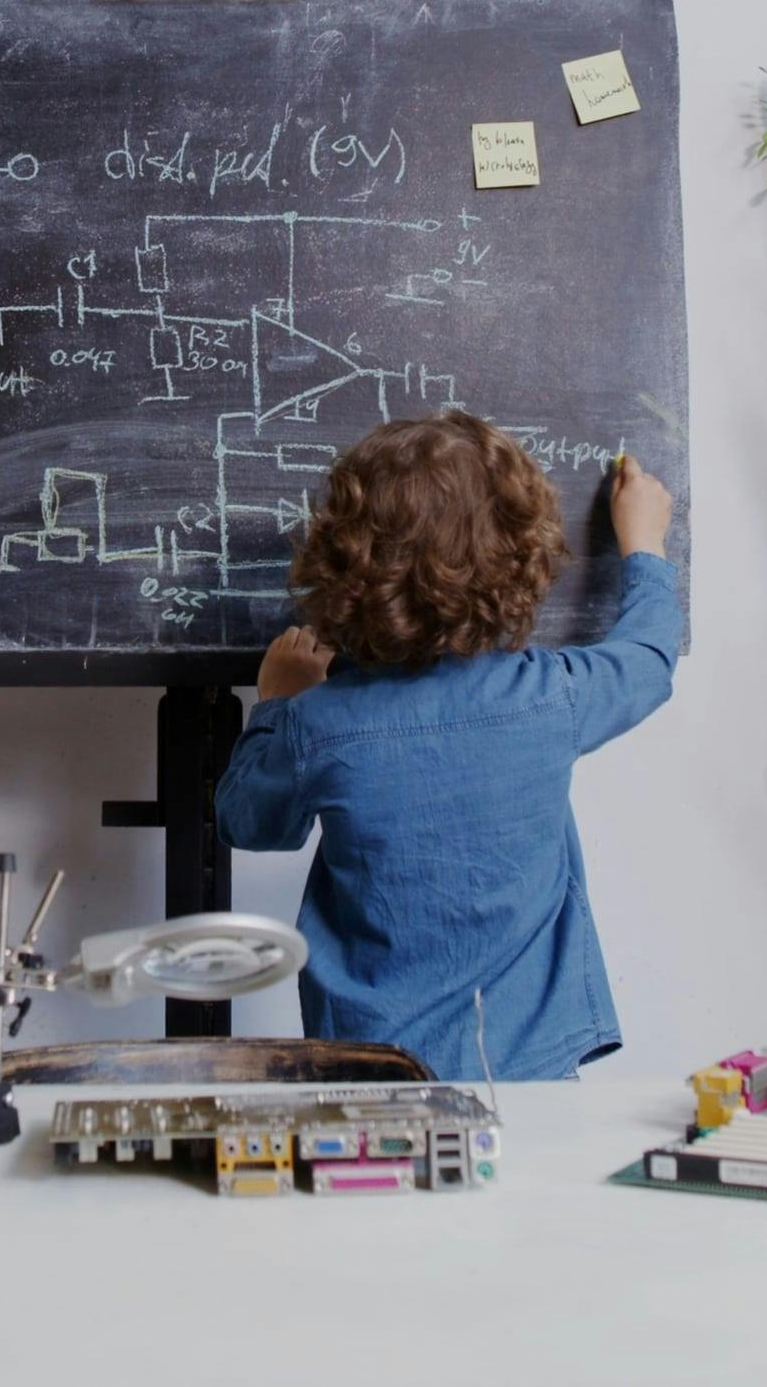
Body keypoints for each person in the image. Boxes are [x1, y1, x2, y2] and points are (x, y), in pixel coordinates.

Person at [214, 411, 680, 1081]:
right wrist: (645, 546)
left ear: (343, 559)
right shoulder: (552, 696)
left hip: (375, 1065)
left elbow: (249, 820)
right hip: (530, 1061)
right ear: (522, 557)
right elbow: (647, 659)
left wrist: (277, 705)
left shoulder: (319, 724)